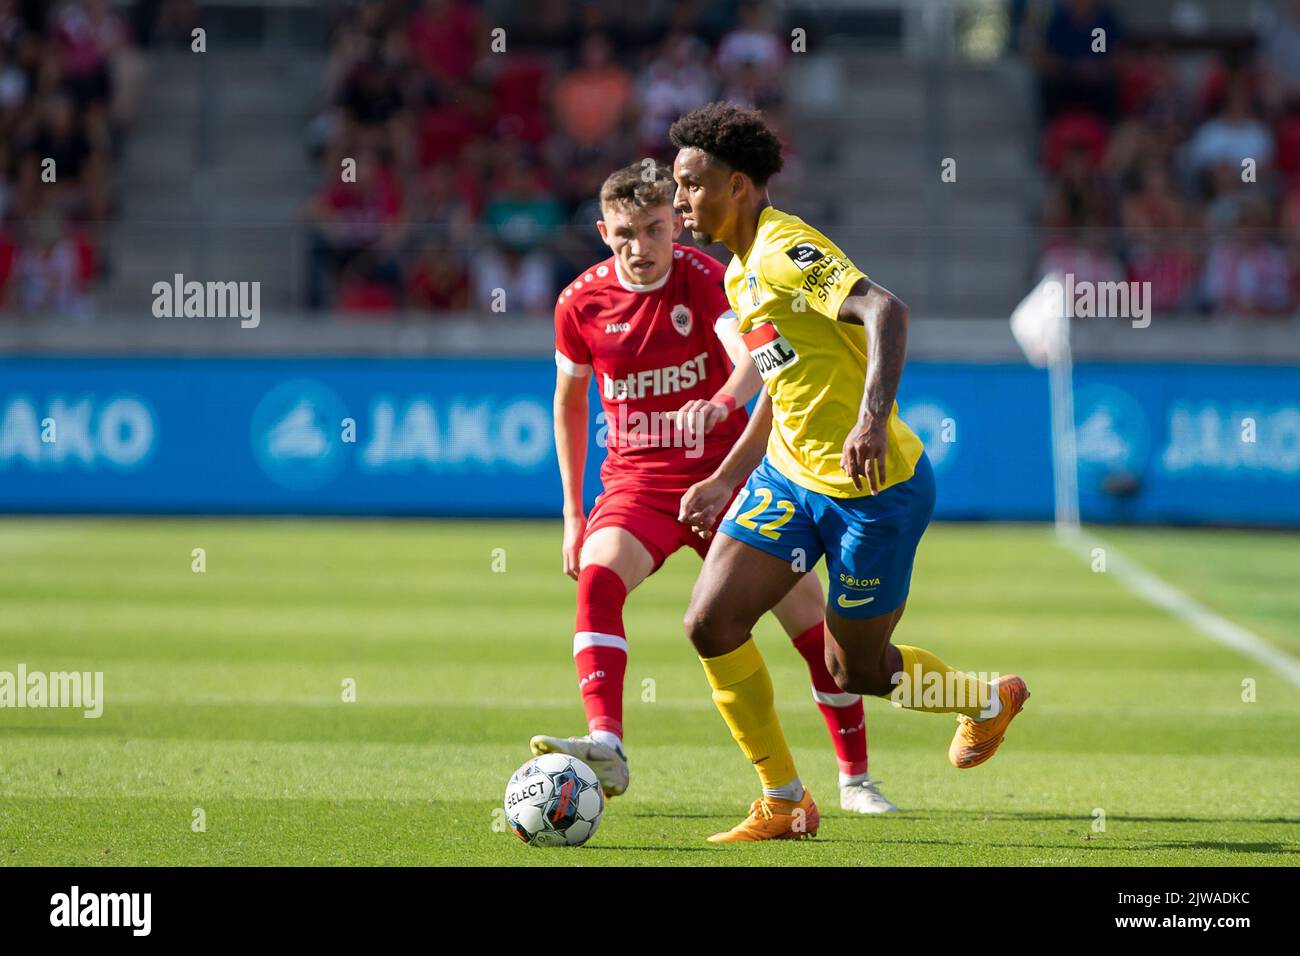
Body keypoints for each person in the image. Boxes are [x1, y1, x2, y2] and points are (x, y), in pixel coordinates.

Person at [669, 103, 1029, 843]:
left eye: (691, 184)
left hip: (876, 494)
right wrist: (732, 475)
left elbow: (885, 309)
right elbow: (784, 383)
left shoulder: (780, 249)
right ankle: (783, 800)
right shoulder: (739, 272)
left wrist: (871, 418)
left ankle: (985, 700)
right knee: (710, 622)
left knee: (855, 670)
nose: (680, 199)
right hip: (789, 480)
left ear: (738, 186)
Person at [531, 162, 896, 816]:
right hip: (637, 485)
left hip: (731, 478)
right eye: (622, 234)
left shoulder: (711, 279)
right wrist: (570, 510)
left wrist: (719, 403)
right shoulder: (578, 303)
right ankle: (607, 742)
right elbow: (567, 401)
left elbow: (761, 359)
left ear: (675, 224)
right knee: (597, 578)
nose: (638, 248)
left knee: (814, 628)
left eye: (652, 230)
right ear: (601, 230)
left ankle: (855, 777)